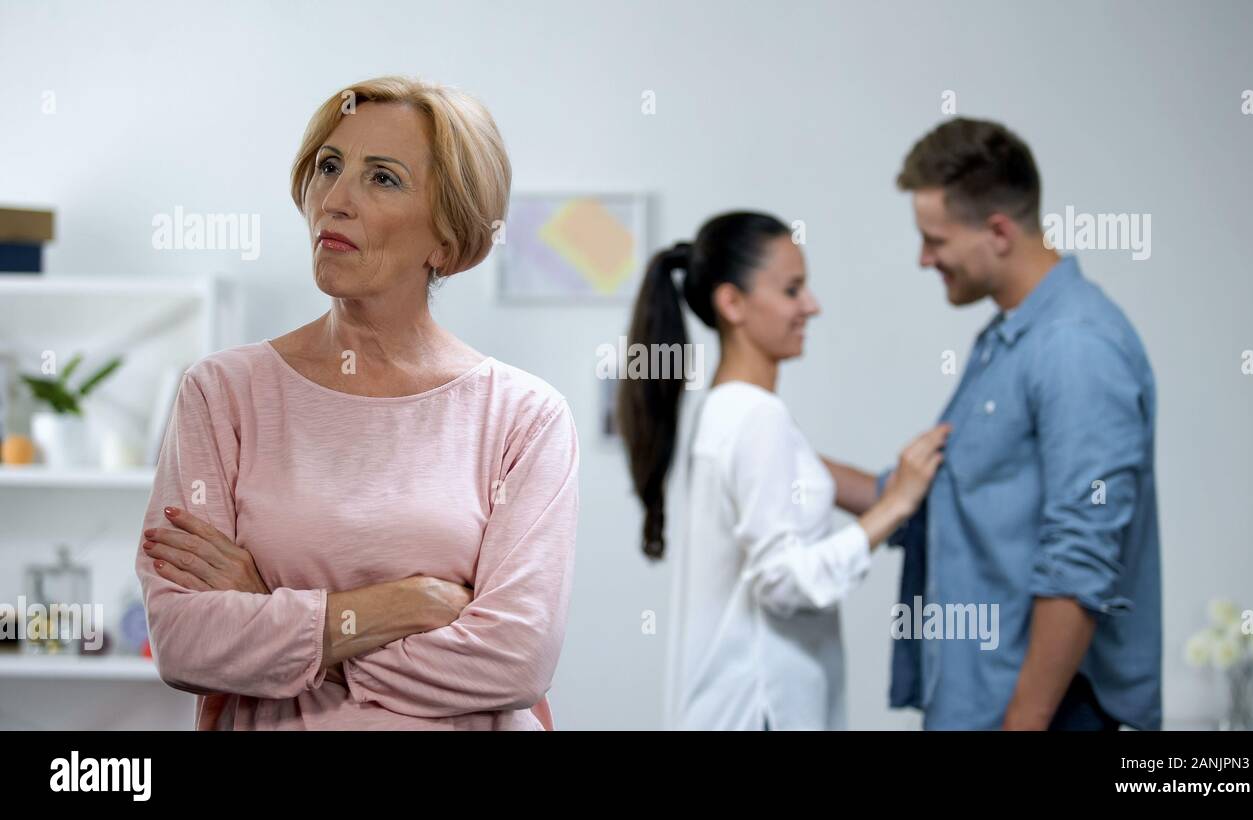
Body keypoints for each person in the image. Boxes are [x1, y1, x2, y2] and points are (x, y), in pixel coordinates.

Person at [135, 76, 578, 730]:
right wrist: (397, 606)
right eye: (329, 166)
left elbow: (516, 659)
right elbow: (184, 641)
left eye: (384, 178)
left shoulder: (523, 416)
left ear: (446, 240)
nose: (336, 200)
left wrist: (272, 611)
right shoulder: (221, 393)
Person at [617, 211, 948, 730]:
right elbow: (783, 581)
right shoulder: (756, 417)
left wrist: (896, 488)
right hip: (761, 710)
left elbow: (805, 476)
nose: (811, 306)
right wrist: (896, 506)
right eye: (793, 290)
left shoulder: (722, 410)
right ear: (732, 303)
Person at [884, 117, 1162, 730]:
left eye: (934, 240)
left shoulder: (1076, 346)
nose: (924, 258)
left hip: (1049, 715)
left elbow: (1081, 554)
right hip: (982, 706)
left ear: (999, 231)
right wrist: (783, 449)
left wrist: (1023, 723)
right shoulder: (1004, 343)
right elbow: (935, 493)